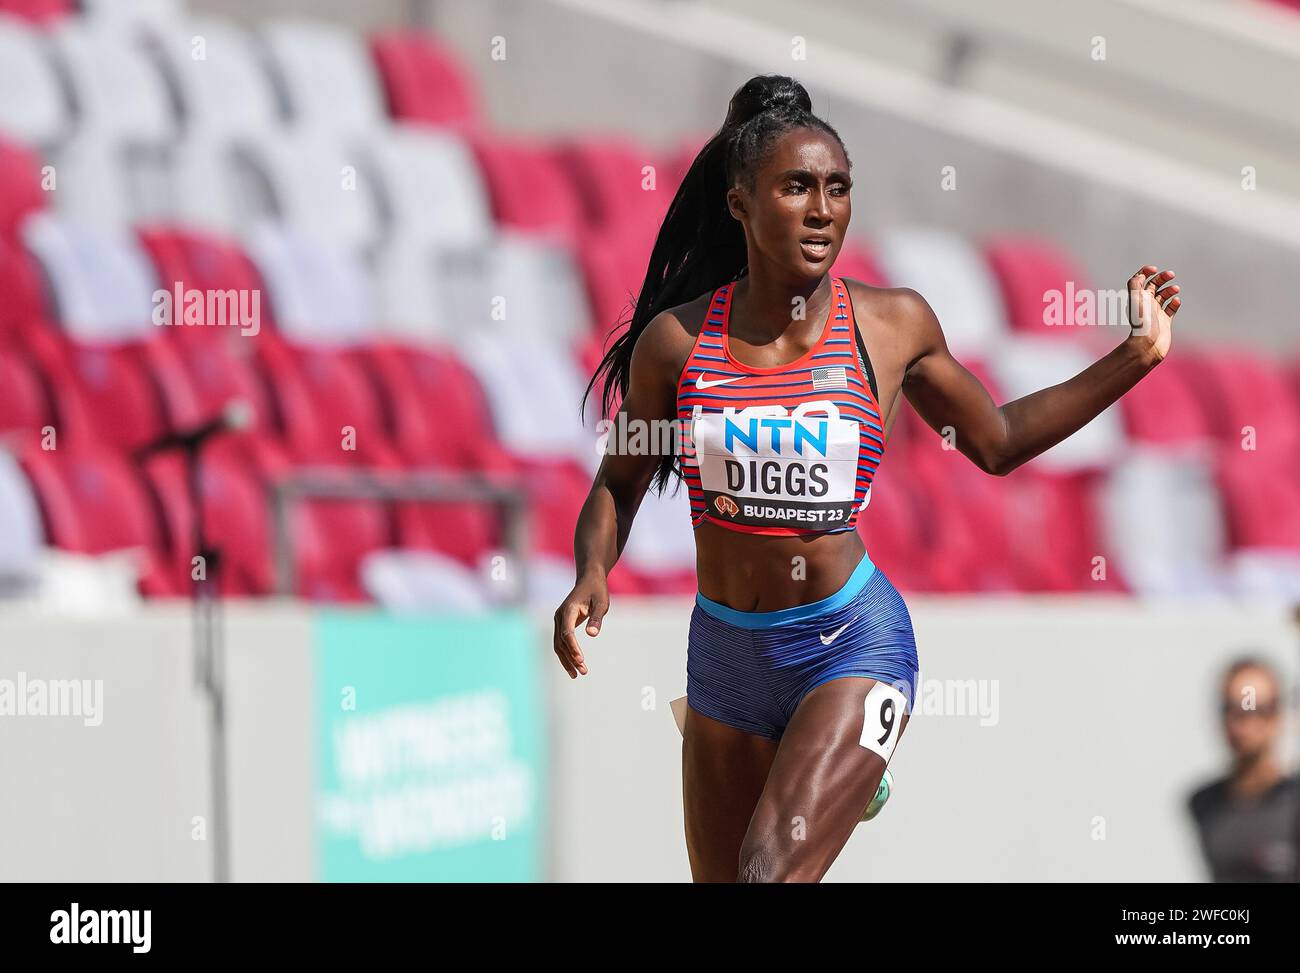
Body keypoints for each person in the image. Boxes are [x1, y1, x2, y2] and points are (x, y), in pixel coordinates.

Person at [554, 74, 1182, 882]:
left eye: (837, 188)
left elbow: (996, 441)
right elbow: (620, 479)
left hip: (849, 643)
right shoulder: (676, 344)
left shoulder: (892, 325)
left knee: (767, 873)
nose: (822, 210)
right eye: (796, 187)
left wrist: (1135, 355)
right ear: (740, 202)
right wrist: (590, 572)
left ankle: (850, 744)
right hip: (724, 657)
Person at [1187, 657, 1298, 882]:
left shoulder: (1294, 804)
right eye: (1233, 709)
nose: (1244, 724)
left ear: (1278, 716)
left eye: (1257, 709)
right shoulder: (1204, 803)